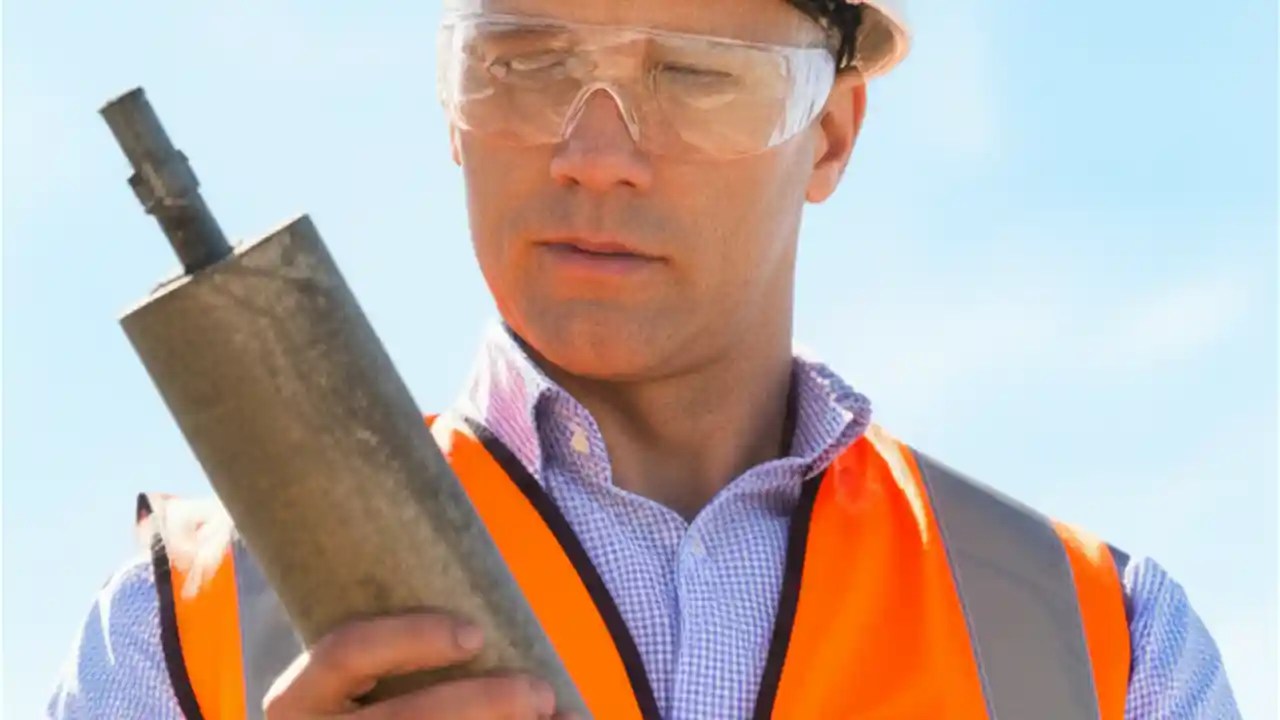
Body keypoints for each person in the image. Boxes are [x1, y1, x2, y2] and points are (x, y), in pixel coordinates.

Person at [48, 0, 1240, 718]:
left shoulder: (1099, 650)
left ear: (826, 135)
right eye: (524, 60)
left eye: (693, 75)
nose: (596, 154)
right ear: (451, 107)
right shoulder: (182, 631)